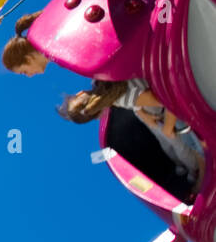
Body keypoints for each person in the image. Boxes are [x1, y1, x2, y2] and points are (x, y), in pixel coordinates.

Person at [59, 79, 205, 197]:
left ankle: (194, 171)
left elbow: (166, 98)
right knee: (166, 145)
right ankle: (182, 167)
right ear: (80, 92)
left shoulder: (121, 99)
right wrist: (143, 113)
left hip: (165, 113)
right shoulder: (99, 81)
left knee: (179, 145)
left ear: (98, 116)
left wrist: (168, 126)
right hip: (147, 113)